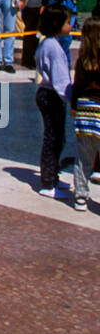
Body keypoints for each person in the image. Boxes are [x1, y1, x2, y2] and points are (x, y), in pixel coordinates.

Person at [34, 5, 72, 199]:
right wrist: (71, 99)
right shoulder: (54, 48)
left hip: (46, 92)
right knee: (53, 138)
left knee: (57, 137)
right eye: (67, 21)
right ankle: (48, 181)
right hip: (52, 95)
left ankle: (52, 175)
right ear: (57, 24)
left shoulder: (46, 43)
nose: (71, 25)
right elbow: (61, 80)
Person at [70, 15, 100, 211]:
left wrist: (74, 107)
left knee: (83, 157)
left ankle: (81, 196)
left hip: (85, 112)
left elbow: (77, 87)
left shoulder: (82, 61)